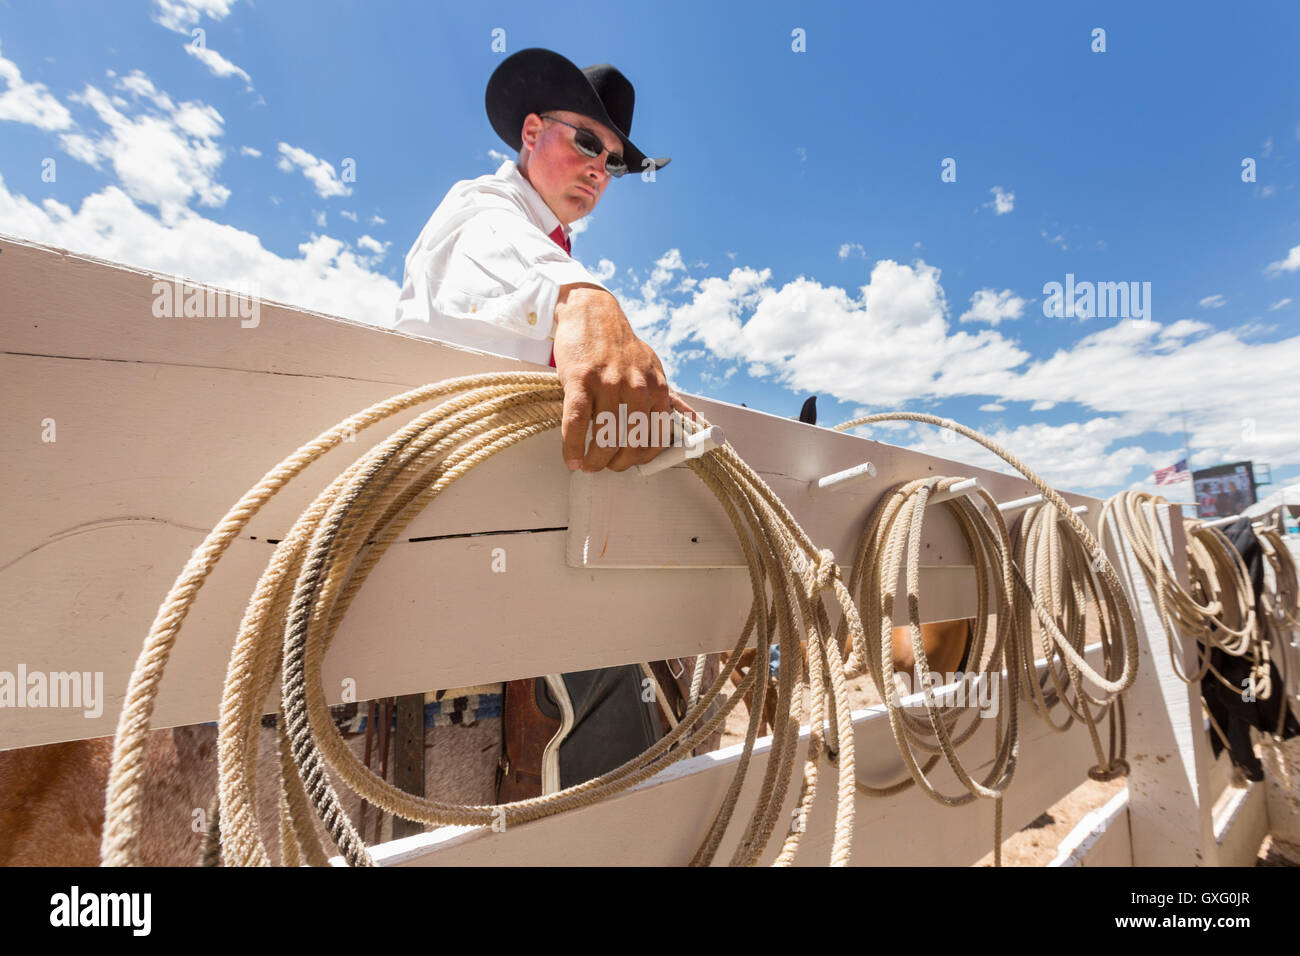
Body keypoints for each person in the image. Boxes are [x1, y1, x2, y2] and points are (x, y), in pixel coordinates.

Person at [391, 48, 718, 804]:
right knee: (607, 652)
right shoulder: (481, 212)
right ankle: (619, 830)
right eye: (586, 142)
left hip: (515, 505)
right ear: (531, 130)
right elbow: (492, 256)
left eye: (614, 161)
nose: (601, 167)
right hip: (461, 510)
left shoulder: (550, 256)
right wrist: (584, 298)